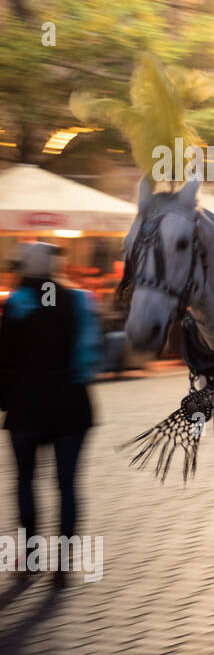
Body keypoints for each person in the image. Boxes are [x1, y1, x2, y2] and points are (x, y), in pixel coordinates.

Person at [0, 242, 101, 588]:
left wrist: (6, 400)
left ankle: (29, 561)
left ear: (26, 267)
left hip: (26, 410)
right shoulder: (81, 301)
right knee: (67, 485)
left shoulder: (17, 304)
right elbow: (90, 356)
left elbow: (4, 359)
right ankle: (63, 566)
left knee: (26, 482)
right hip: (72, 406)